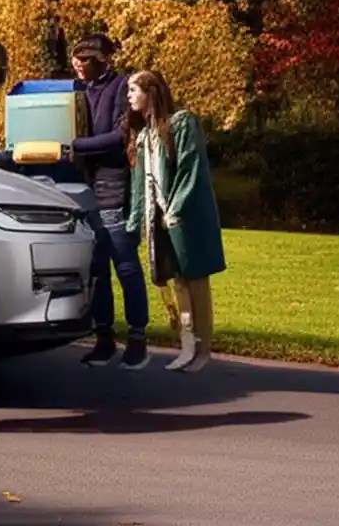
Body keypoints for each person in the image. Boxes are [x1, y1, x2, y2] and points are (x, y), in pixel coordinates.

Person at [123, 70, 226, 372]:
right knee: (176, 280)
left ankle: (203, 349)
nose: (129, 95)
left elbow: (190, 168)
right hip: (160, 219)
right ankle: (187, 344)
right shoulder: (144, 135)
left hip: (185, 217)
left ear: (151, 91)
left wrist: (176, 209)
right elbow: (139, 184)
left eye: (133, 89)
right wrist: (135, 221)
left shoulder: (182, 123)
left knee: (195, 279)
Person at [67, 34, 153, 369]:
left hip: (114, 183)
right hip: (85, 185)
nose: (77, 64)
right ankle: (104, 338)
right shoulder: (77, 90)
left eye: (83, 59)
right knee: (97, 268)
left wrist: (75, 146)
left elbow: (120, 136)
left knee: (125, 264)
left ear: (101, 60)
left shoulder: (120, 87)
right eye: (75, 59)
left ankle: (138, 339)